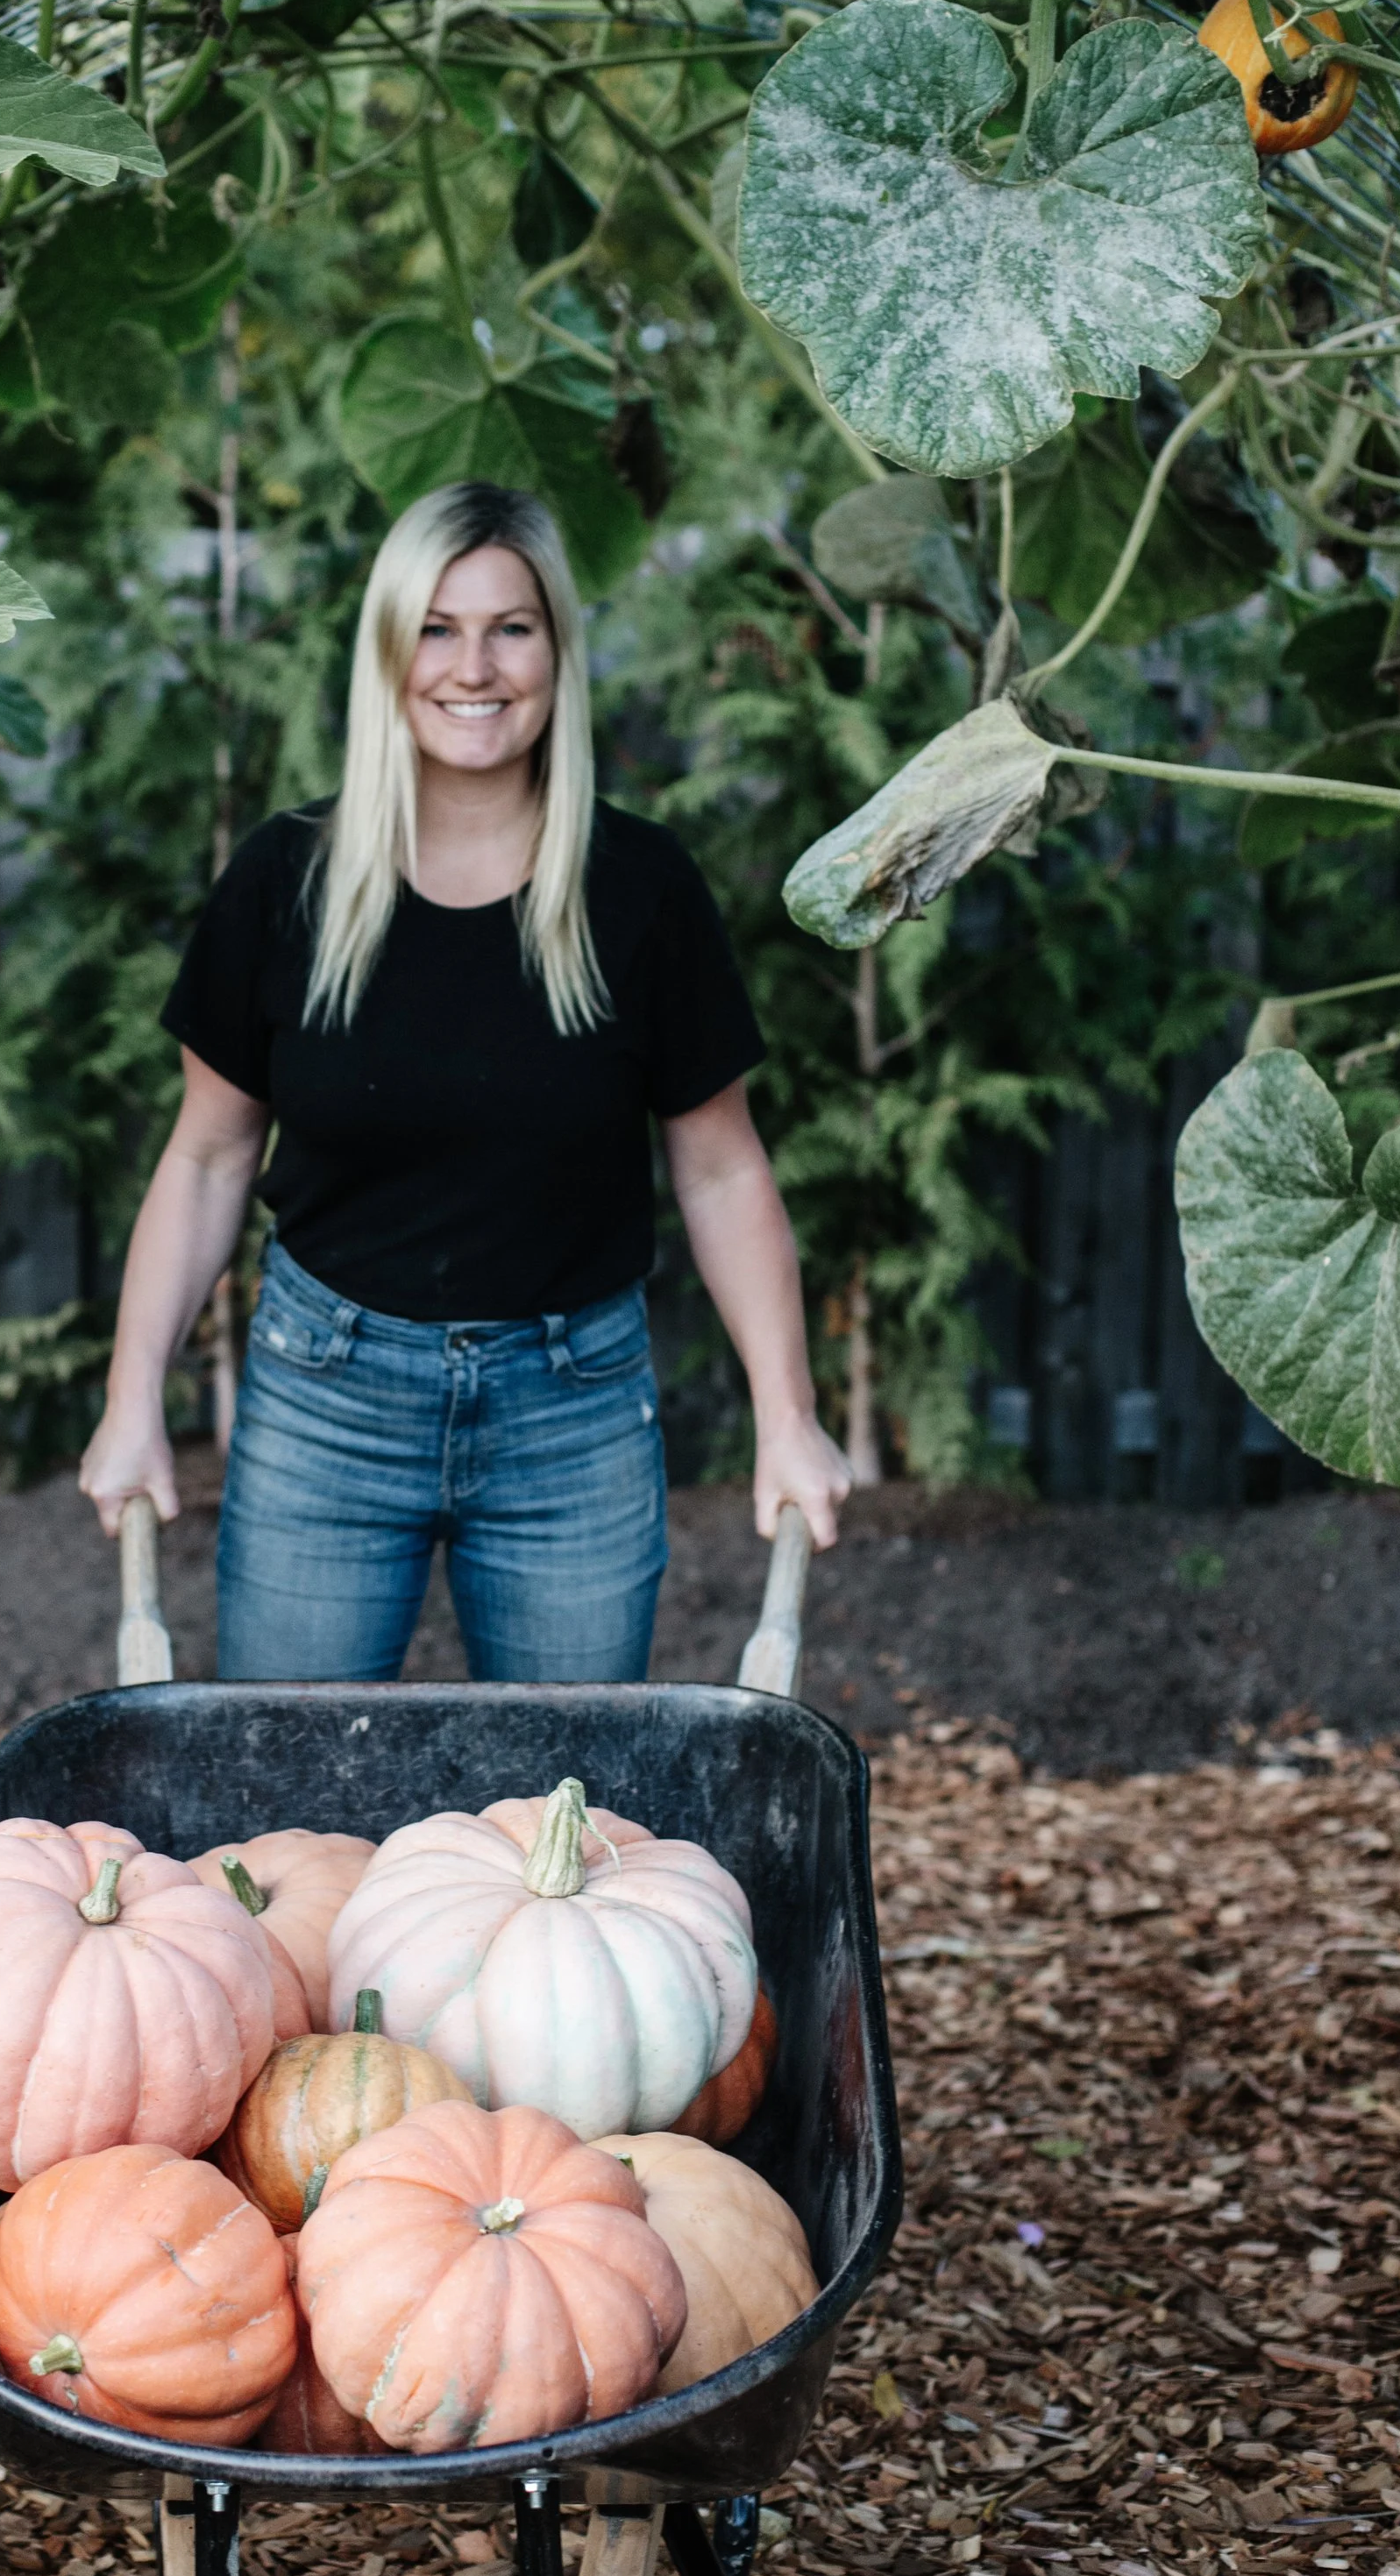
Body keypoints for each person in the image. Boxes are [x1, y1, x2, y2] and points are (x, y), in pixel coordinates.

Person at [79, 479, 850, 1682]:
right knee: (294, 1812)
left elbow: (721, 1166)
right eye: (437, 627)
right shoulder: (286, 881)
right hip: (325, 1399)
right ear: (390, 650)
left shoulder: (640, 890)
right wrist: (134, 1399)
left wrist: (788, 1414)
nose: (474, 666)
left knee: (559, 1831)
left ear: (557, 651)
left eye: (511, 627)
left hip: (573, 1413)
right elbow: (207, 1155)